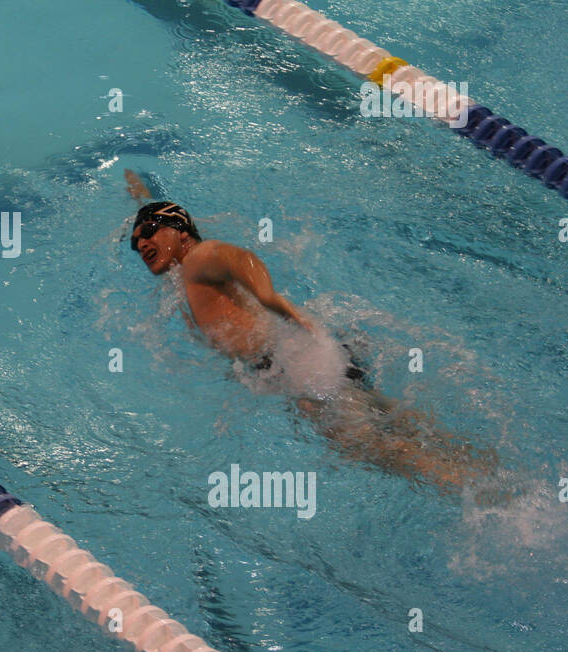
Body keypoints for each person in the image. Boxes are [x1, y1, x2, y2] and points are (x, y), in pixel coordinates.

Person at [124, 169, 494, 491]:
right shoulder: (182, 275)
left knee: (366, 445)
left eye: (150, 231)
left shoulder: (199, 258)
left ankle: (475, 494)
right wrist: (140, 195)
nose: (141, 243)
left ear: (182, 231)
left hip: (298, 367)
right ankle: (485, 467)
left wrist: (271, 297)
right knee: (393, 421)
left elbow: (237, 259)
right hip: (301, 358)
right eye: (135, 240)